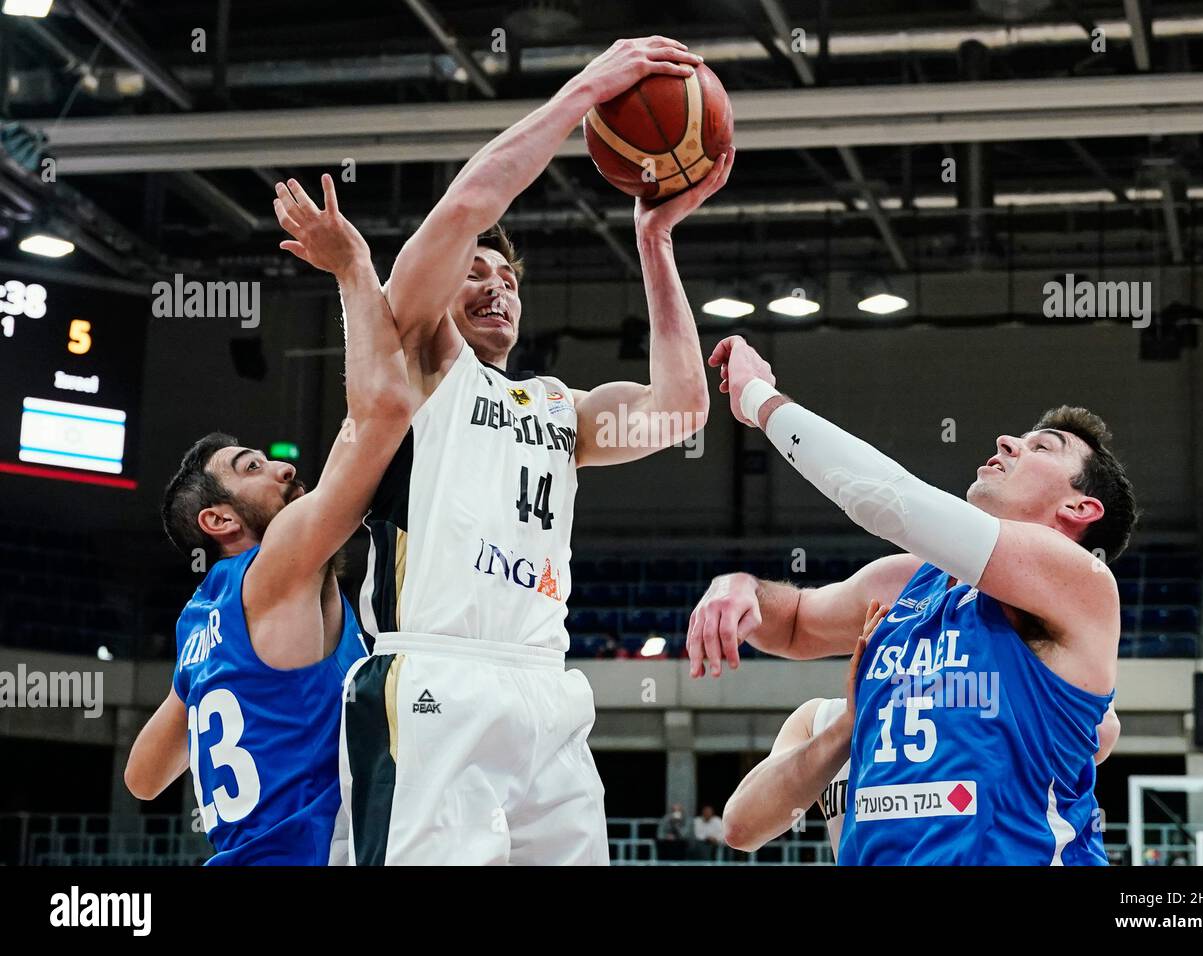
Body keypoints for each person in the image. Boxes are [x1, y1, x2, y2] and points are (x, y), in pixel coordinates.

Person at [342, 36, 734, 865]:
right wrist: (585, 93)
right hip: (435, 677)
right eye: (476, 273)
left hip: (546, 687)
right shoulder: (418, 360)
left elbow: (681, 408)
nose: (497, 285)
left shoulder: (559, 407)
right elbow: (464, 208)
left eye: (510, 279)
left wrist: (655, 239)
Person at [690, 335, 1137, 865]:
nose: (1007, 442)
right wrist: (740, 587)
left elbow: (886, 500)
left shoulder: (1081, 581)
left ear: (1080, 507)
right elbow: (793, 626)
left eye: (1042, 447)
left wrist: (758, 399)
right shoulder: (908, 582)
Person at [124, 176, 414, 864]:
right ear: (220, 517)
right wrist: (352, 269)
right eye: (252, 466)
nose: (283, 469)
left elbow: (142, 776)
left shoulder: (202, 624)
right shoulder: (277, 563)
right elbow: (383, 414)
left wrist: (201, 687)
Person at [722, 604, 1123, 860]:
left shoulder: (989, 700)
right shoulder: (818, 719)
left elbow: (1102, 732)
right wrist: (851, 722)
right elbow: (741, 827)